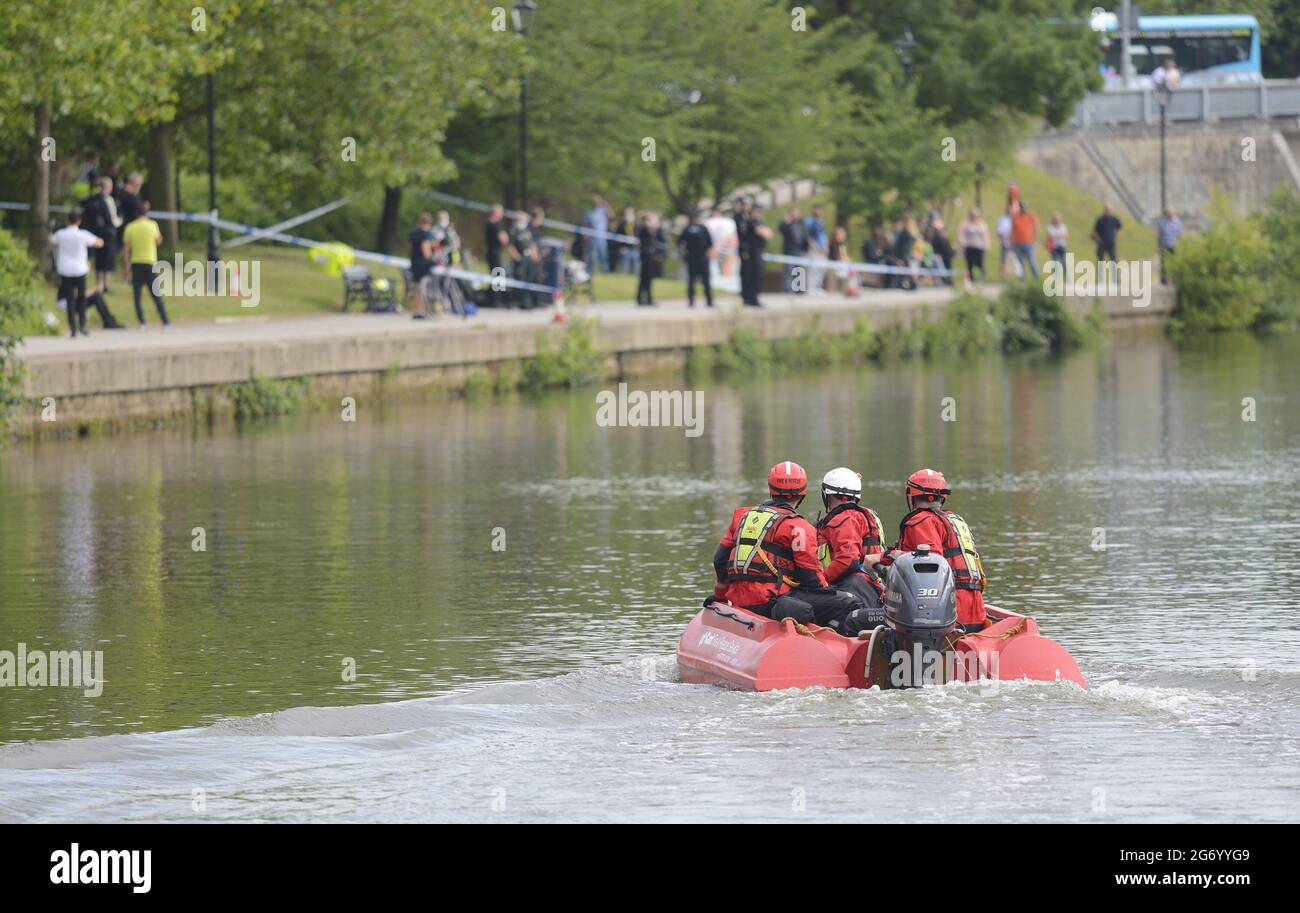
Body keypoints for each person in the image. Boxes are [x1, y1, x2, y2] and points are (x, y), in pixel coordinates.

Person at [711, 461, 866, 631]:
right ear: (802, 494)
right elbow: (811, 580)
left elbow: (720, 561)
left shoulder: (741, 516)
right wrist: (831, 591)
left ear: (771, 489)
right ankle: (832, 641)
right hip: (771, 601)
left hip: (739, 599)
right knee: (850, 602)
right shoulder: (799, 527)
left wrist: (721, 596)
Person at [879, 469, 987, 632]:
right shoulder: (953, 521)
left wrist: (883, 556)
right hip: (976, 611)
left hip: (951, 614)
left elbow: (931, 563)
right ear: (942, 497)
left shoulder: (921, 522)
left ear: (911, 495)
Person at [814, 468, 886, 611]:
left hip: (853, 587)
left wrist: (820, 581)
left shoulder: (844, 518)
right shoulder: (864, 515)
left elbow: (848, 559)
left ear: (827, 494)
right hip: (872, 584)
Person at [50, 209, 103, 338]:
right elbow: (99, 243)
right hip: (80, 269)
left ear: (67, 220)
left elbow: (51, 241)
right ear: (79, 221)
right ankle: (83, 326)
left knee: (70, 299)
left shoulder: (61, 234)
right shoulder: (83, 234)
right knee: (82, 298)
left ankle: (73, 329)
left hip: (66, 270)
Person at [121, 201, 170, 326]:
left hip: (136, 263)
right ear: (146, 213)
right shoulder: (152, 225)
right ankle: (165, 321)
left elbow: (126, 250)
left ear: (135, 214)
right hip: (150, 262)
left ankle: (142, 321)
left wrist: (126, 267)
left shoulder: (130, 227)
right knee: (156, 294)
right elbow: (158, 241)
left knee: (137, 295)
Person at [81, 177, 122, 296]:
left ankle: (103, 284)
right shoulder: (102, 200)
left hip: (103, 233)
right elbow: (110, 218)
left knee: (104, 259)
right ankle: (102, 284)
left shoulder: (101, 199)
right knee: (104, 259)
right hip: (105, 233)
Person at [677, 208, 714, 308]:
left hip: (695, 257)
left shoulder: (689, 228)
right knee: (698, 281)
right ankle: (698, 301)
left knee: (698, 280)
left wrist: (684, 254)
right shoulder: (700, 228)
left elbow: (680, 243)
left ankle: (699, 301)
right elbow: (710, 244)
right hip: (697, 257)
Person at [635, 211, 667, 306]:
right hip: (646, 255)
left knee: (649, 278)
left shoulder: (655, 228)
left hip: (651, 255)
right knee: (645, 278)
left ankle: (647, 298)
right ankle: (642, 298)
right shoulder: (644, 228)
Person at [409, 212, 436, 318]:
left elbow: (411, 248)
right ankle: (423, 310)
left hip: (414, 262)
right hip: (423, 264)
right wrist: (432, 260)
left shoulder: (413, 233)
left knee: (417, 287)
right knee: (424, 287)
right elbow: (426, 251)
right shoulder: (427, 235)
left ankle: (416, 310)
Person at [483, 204, 510, 307]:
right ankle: (495, 300)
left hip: (494, 252)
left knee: (497, 274)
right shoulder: (492, 225)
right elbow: (504, 240)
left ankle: (496, 298)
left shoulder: (495, 225)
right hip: (493, 253)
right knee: (497, 274)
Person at [778, 206, 809, 293]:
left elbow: (805, 235)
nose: (795, 215)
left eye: (796, 213)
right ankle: (788, 289)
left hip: (800, 249)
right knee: (789, 269)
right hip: (789, 249)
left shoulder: (801, 222)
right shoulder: (786, 223)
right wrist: (786, 222)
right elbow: (780, 229)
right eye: (793, 213)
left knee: (800, 269)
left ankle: (800, 289)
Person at [958, 208, 989, 283]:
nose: (974, 217)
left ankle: (982, 276)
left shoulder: (981, 224)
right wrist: (963, 242)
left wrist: (986, 246)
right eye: (973, 215)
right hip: (969, 246)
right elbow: (960, 233)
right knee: (970, 264)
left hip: (979, 247)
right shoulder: (966, 224)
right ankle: (972, 279)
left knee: (979, 263)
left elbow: (985, 236)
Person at [581, 195, 610, 274]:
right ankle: (589, 272)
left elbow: (612, 216)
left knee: (603, 255)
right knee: (592, 256)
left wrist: (606, 205)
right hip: (592, 238)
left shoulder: (604, 211)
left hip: (602, 237)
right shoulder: (588, 212)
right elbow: (584, 226)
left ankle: (605, 272)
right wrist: (585, 237)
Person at [1010, 201, 1039, 278]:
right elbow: (1013, 231)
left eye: (1024, 208)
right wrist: (1012, 242)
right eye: (1022, 208)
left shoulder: (1031, 217)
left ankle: (1036, 277)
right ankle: (1023, 278)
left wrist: (1034, 240)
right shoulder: (1015, 218)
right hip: (1018, 243)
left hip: (1029, 243)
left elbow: (1036, 229)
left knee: (1031, 261)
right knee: (1020, 262)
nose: (1023, 209)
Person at [1155, 206, 1184, 285]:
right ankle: (1164, 281)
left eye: (1171, 213)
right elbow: (1159, 235)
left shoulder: (1178, 222)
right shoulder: (1162, 222)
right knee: (1164, 264)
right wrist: (1158, 246)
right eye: (1168, 213)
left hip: (1174, 246)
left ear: (1173, 213)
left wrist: (1182, 246)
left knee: (1174, 263)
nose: (1169, 215)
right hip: (1164, 246)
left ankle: (1174, 280)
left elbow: (1181, 234)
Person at [804, 205, 828, 294]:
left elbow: (823, 235)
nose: (818, 212)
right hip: (814, 249)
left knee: (821, 268)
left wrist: (826, 247)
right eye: (817, 210)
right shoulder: (808, 221)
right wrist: (815, 247)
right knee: (813, 269)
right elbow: (808, 236)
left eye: (820, 210)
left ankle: (818, 287)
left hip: (823, 249)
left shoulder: (821, 221)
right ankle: (811, 288)